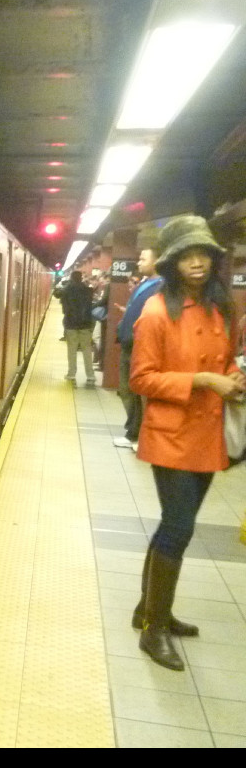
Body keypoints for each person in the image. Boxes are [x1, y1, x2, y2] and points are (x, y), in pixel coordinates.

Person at [129, 215, 246, 671]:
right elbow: (141, 378)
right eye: (186, 256)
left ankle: (150, 611)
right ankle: (153, 631)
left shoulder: (221, 309)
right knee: (178, 527)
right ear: (172, 263)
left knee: (175, 526)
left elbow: (228, 361)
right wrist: (202, 380)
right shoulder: (156, 313)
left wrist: (233, 379)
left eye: (205, 254)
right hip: (171, 436)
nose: (197, 262)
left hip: (208, 435)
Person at [112, 248, 161, 450]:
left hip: (141, 347)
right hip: (129, 345)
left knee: (140, 393)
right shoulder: (145, 283)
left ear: (157, 262)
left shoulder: (161, 286)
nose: (138, 262)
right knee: (127, 390)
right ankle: (133, 431)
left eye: (143, 259)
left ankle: (141, 436)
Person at [57, 269, 96, 386]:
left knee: (72, 350)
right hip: (85, 324)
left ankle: (71, 373)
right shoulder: (88, 290)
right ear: (81, 278)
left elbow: (57, 295)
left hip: (71, 324)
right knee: (86, 350)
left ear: (72, 278)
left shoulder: (67, 290)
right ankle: (90, 376)